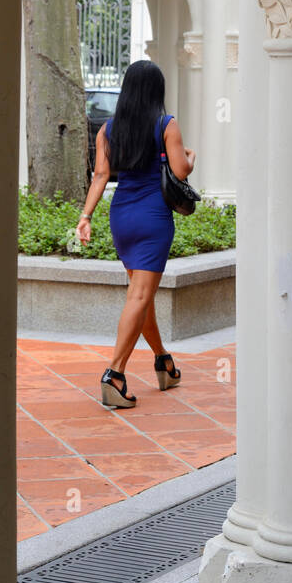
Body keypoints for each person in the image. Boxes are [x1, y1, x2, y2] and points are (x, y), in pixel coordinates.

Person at [75, 60, 196, 409]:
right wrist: (190, 156)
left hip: (121, 216)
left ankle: (163, 362)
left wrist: (86, 217)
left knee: (140, 295)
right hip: (153, 216)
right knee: (140, 296)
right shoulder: (166, 124)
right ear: (156, 91)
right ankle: (115, 373)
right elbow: (180, 171)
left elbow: (100, 176)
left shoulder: (109, 130)